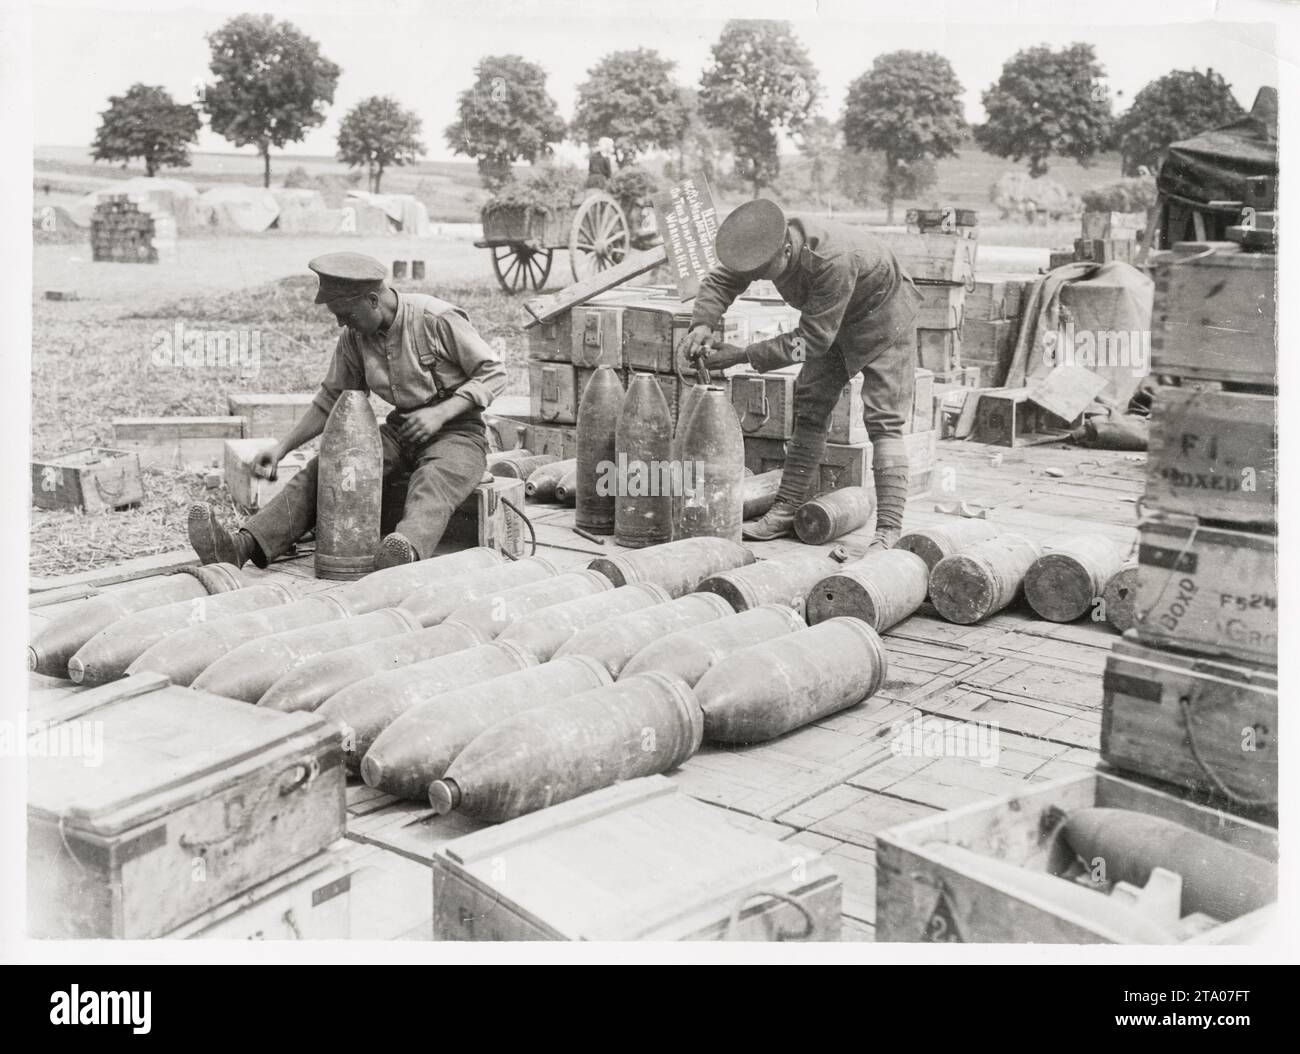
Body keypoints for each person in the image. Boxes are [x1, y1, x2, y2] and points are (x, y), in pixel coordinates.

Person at [187, 251, 507, 571]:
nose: (342, 322)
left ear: (371, 300)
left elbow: (495, 373)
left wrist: (441, 413)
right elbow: (331, 398)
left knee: (434, 480)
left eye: (346, 313)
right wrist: (281, 448)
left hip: (459, 432)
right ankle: (242, 546)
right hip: (402, 430)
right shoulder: (355, 337)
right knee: (330, 466)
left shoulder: (435, 319)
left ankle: (402, 553)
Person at [681, 199, 921, 546]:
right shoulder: (759, 245)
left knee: (884, 419)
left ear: (788, 251)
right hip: (828, 322)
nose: (757, 278)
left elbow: (810, 342)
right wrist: (702, 323)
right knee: (810, 406)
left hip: (883, 317)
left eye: (764, 273)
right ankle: (786, 508)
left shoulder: (833, 260)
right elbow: (722, 280)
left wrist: (743, 356)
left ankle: (887, 530)